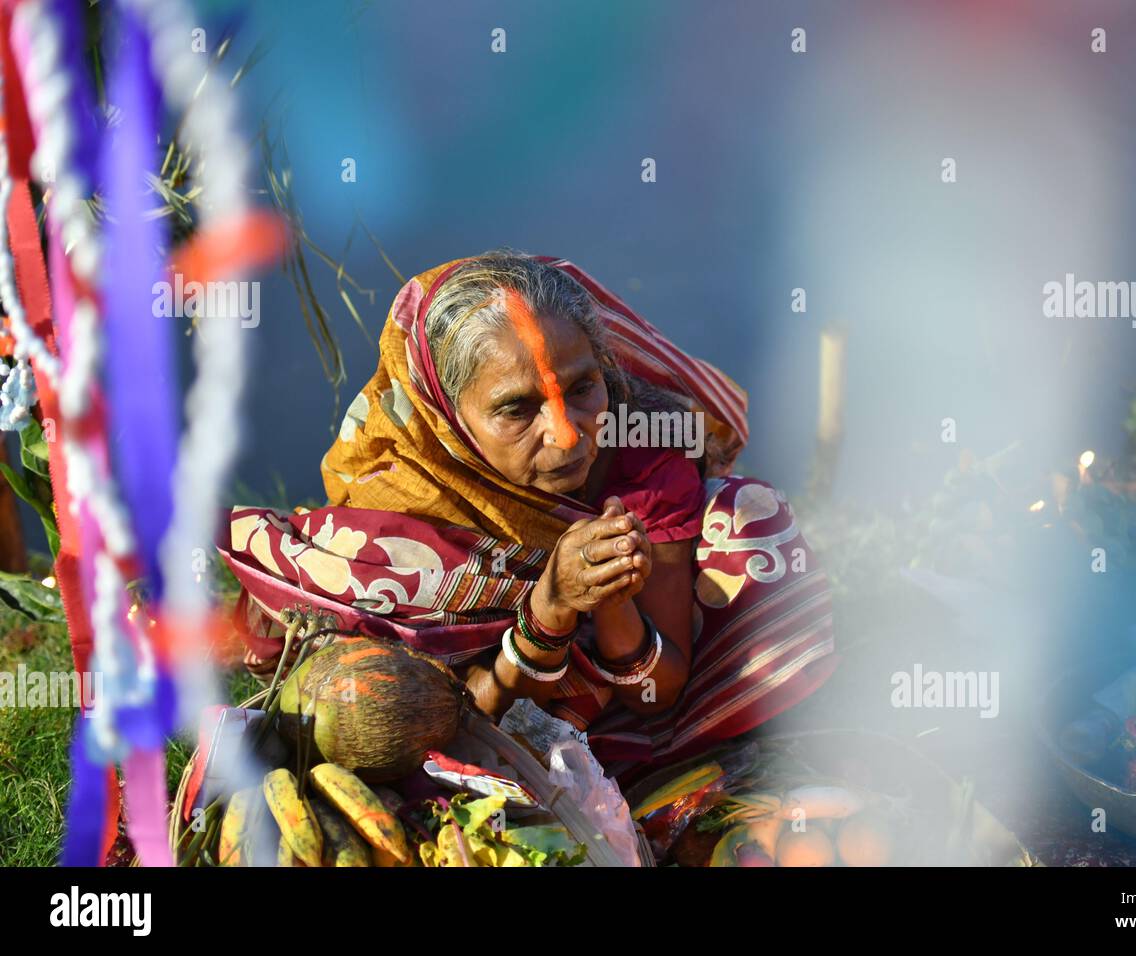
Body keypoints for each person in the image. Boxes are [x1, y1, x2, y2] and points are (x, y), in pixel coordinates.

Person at [221, 249, 836, 777]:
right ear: (447, 419)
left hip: (611, 697)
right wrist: (550, 607)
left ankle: (614, 757)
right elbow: (446, 711)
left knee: (747, 521)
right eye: (517, 409)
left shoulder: (644, 464)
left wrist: (609, 594)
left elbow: (658, 691)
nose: (568, 436)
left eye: (583, 389)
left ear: (607, 373)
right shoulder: (406, 497)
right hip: (488, 692)